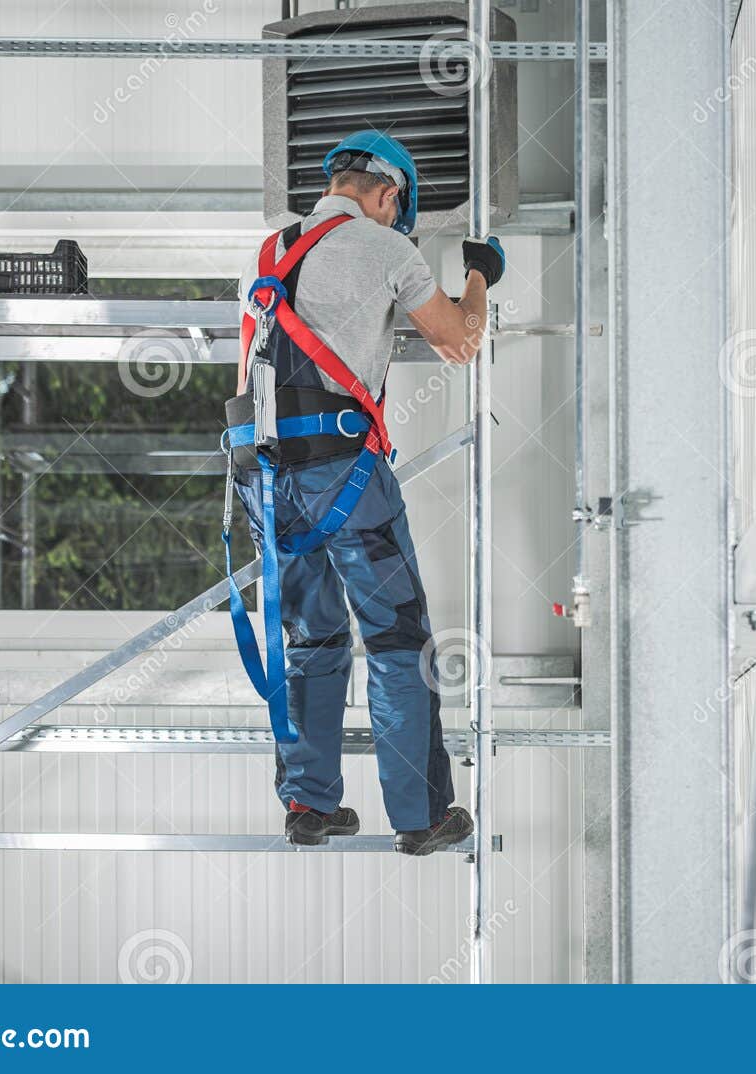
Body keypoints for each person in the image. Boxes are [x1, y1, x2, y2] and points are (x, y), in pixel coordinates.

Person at [225, 129, 506, 855]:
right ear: (388, 195)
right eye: (395, 211)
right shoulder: (385, 248)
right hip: (343, 474)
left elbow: (245, 381)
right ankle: (421, 817)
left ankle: (309, 806)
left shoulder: (266, 254)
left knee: (310, 638)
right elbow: (459, 340)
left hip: (260, 478)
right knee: (395, 641)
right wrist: (480, 278)